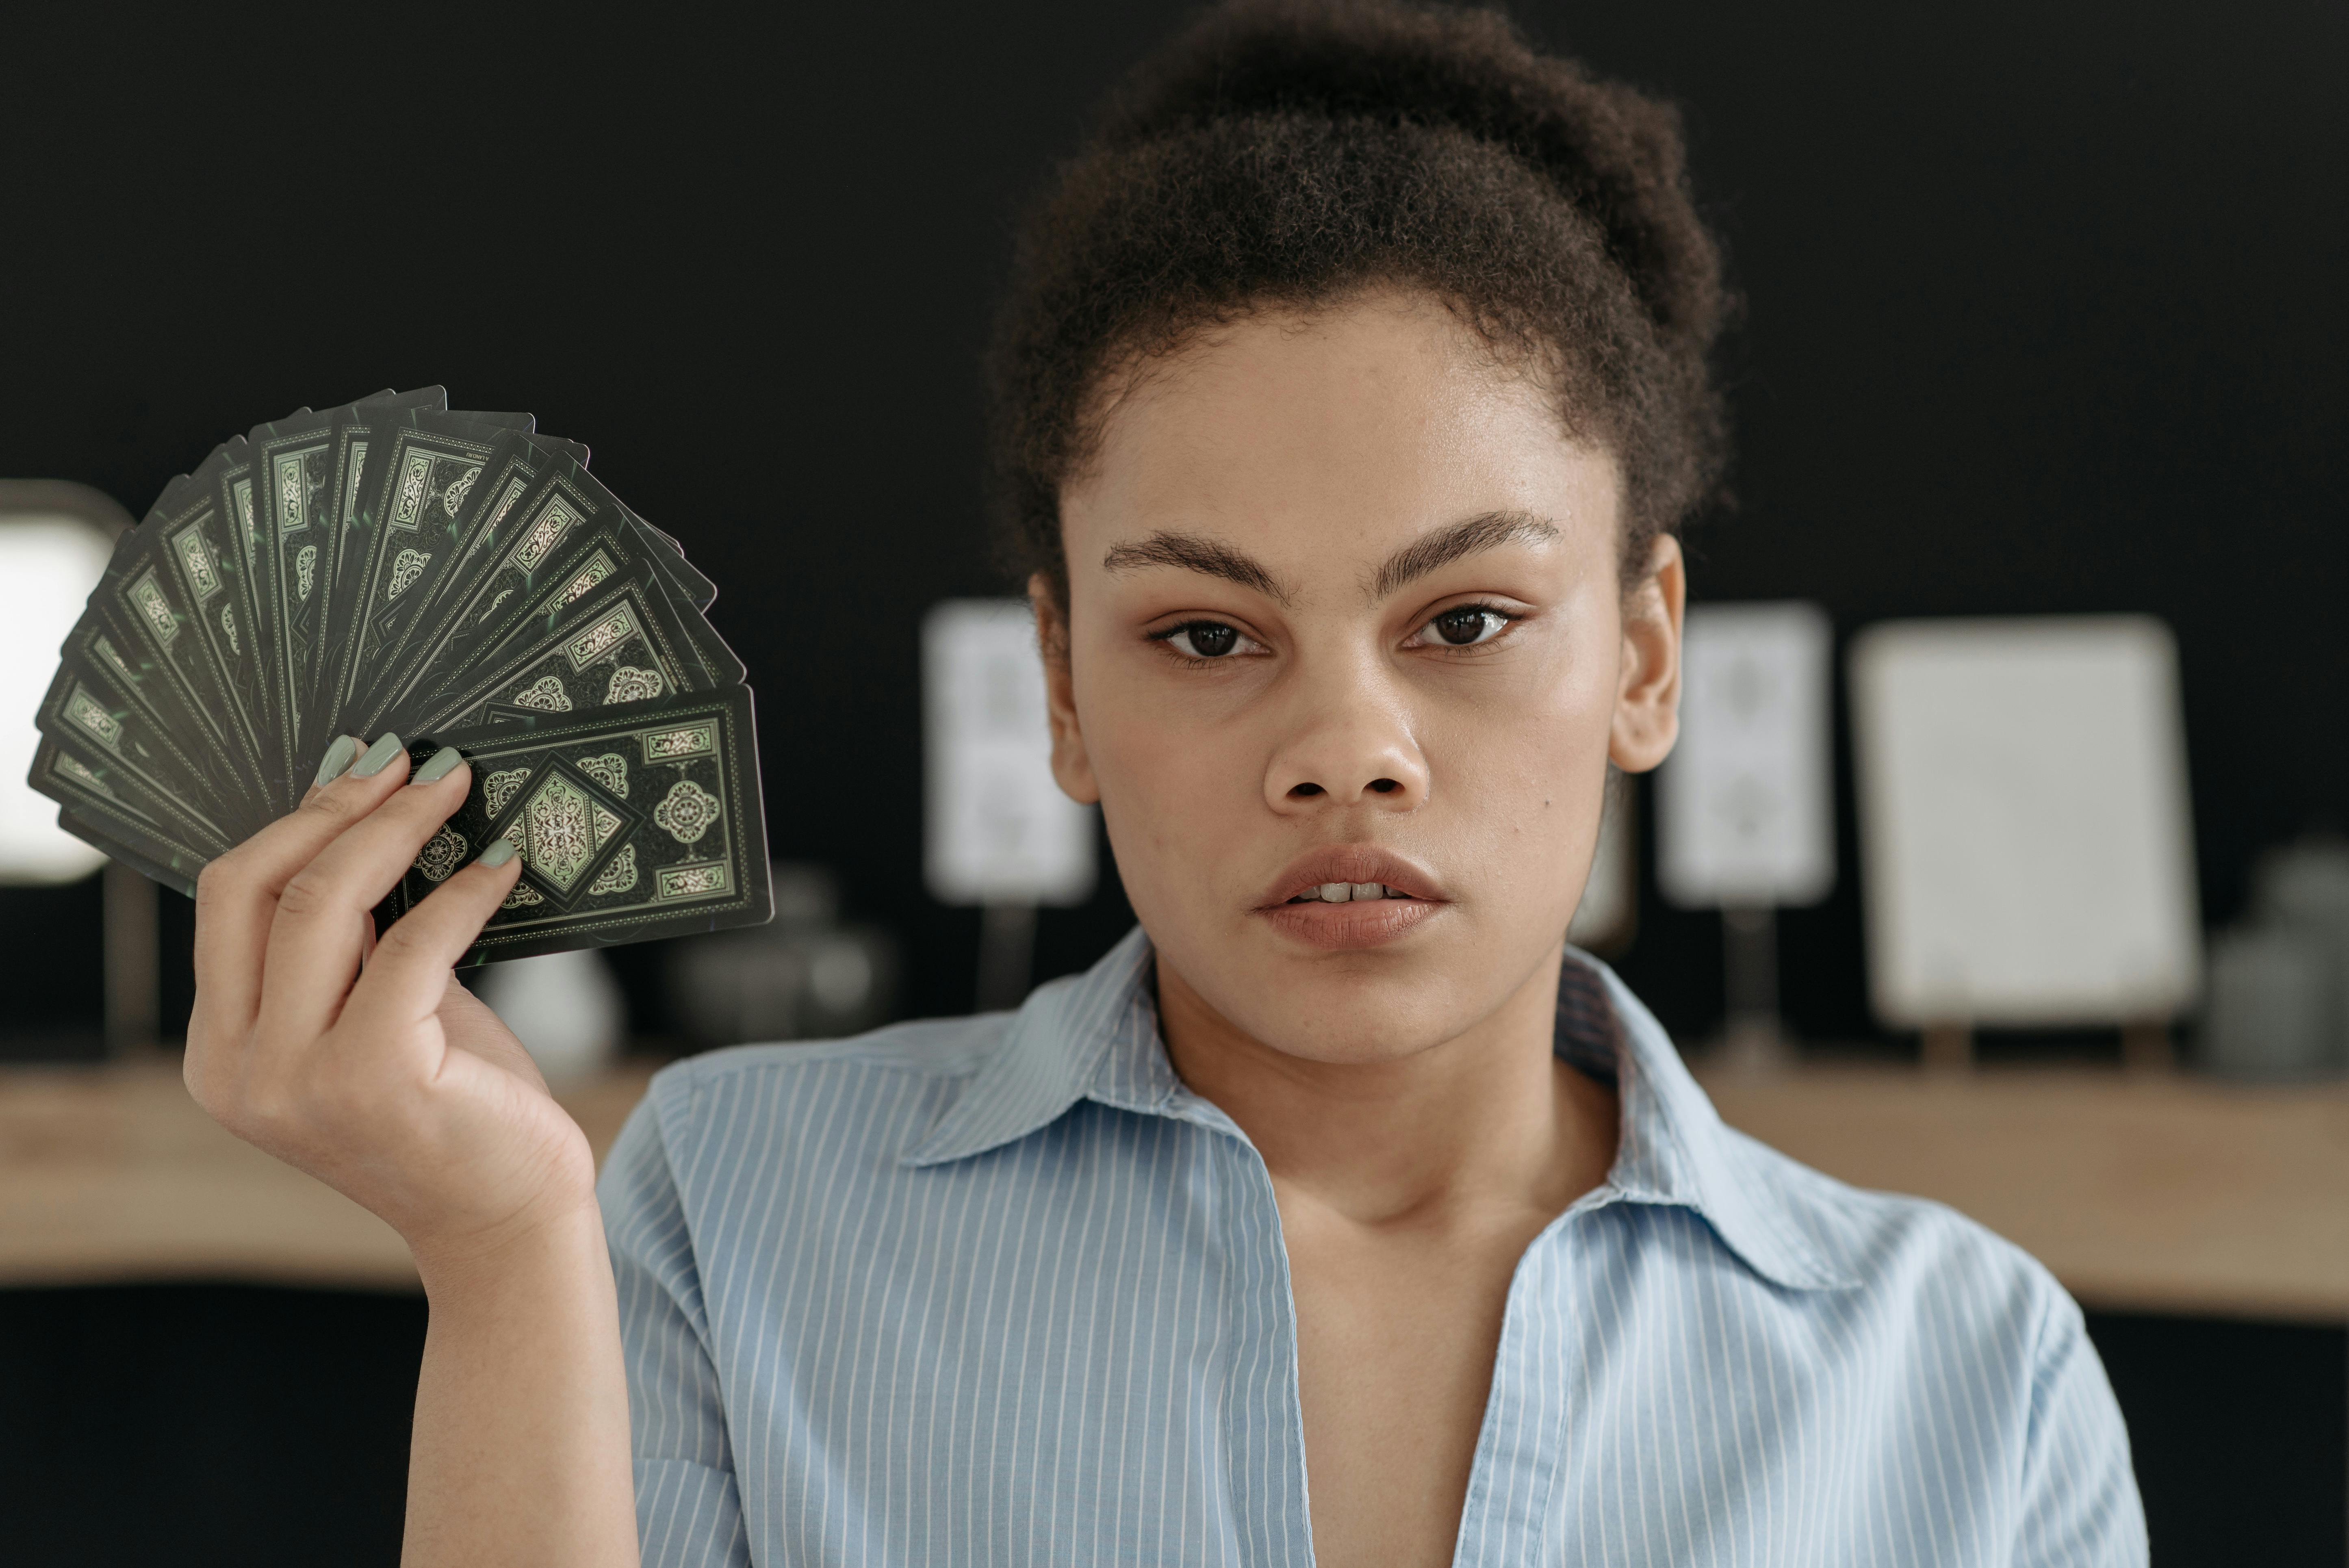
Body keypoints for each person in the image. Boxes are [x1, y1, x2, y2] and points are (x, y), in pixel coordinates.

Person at [183, 3, 2146, 1563]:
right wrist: (500, 1243)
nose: (1346, 748)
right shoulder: (730, 1214)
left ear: (1642, 653)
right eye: (1208, 634)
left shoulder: (1964, 1372)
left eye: (1465, 619)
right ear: (1061, 684)